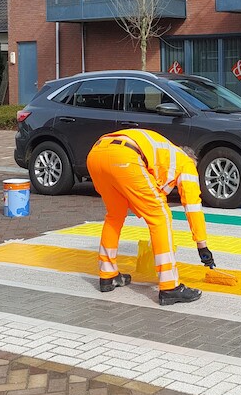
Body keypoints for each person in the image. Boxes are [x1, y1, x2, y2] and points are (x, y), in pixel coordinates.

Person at [86, 128, 215, 306]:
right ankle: (170, 286)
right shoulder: (186, 162)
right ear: (192, 159)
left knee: (114, 216)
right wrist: (202, 245)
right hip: (125, 156)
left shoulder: (164, 153)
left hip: (97, 153)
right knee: (160, 217)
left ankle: (108, 275)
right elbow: (192, 205)